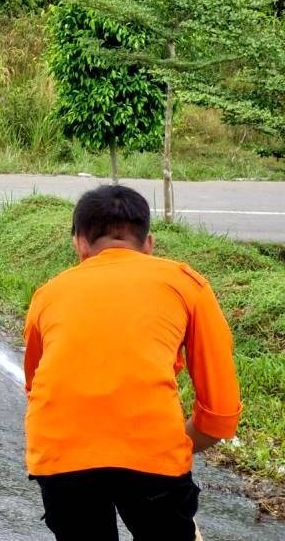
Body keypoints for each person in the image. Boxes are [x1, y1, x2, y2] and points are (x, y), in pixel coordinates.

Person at [23, 184, 241, 541]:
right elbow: (220, 415)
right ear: (149, 244)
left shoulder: (48, 294)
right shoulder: (187, 285)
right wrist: (169, 443)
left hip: (59, 455)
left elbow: (35, 387)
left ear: (79, 244)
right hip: (153, 454)